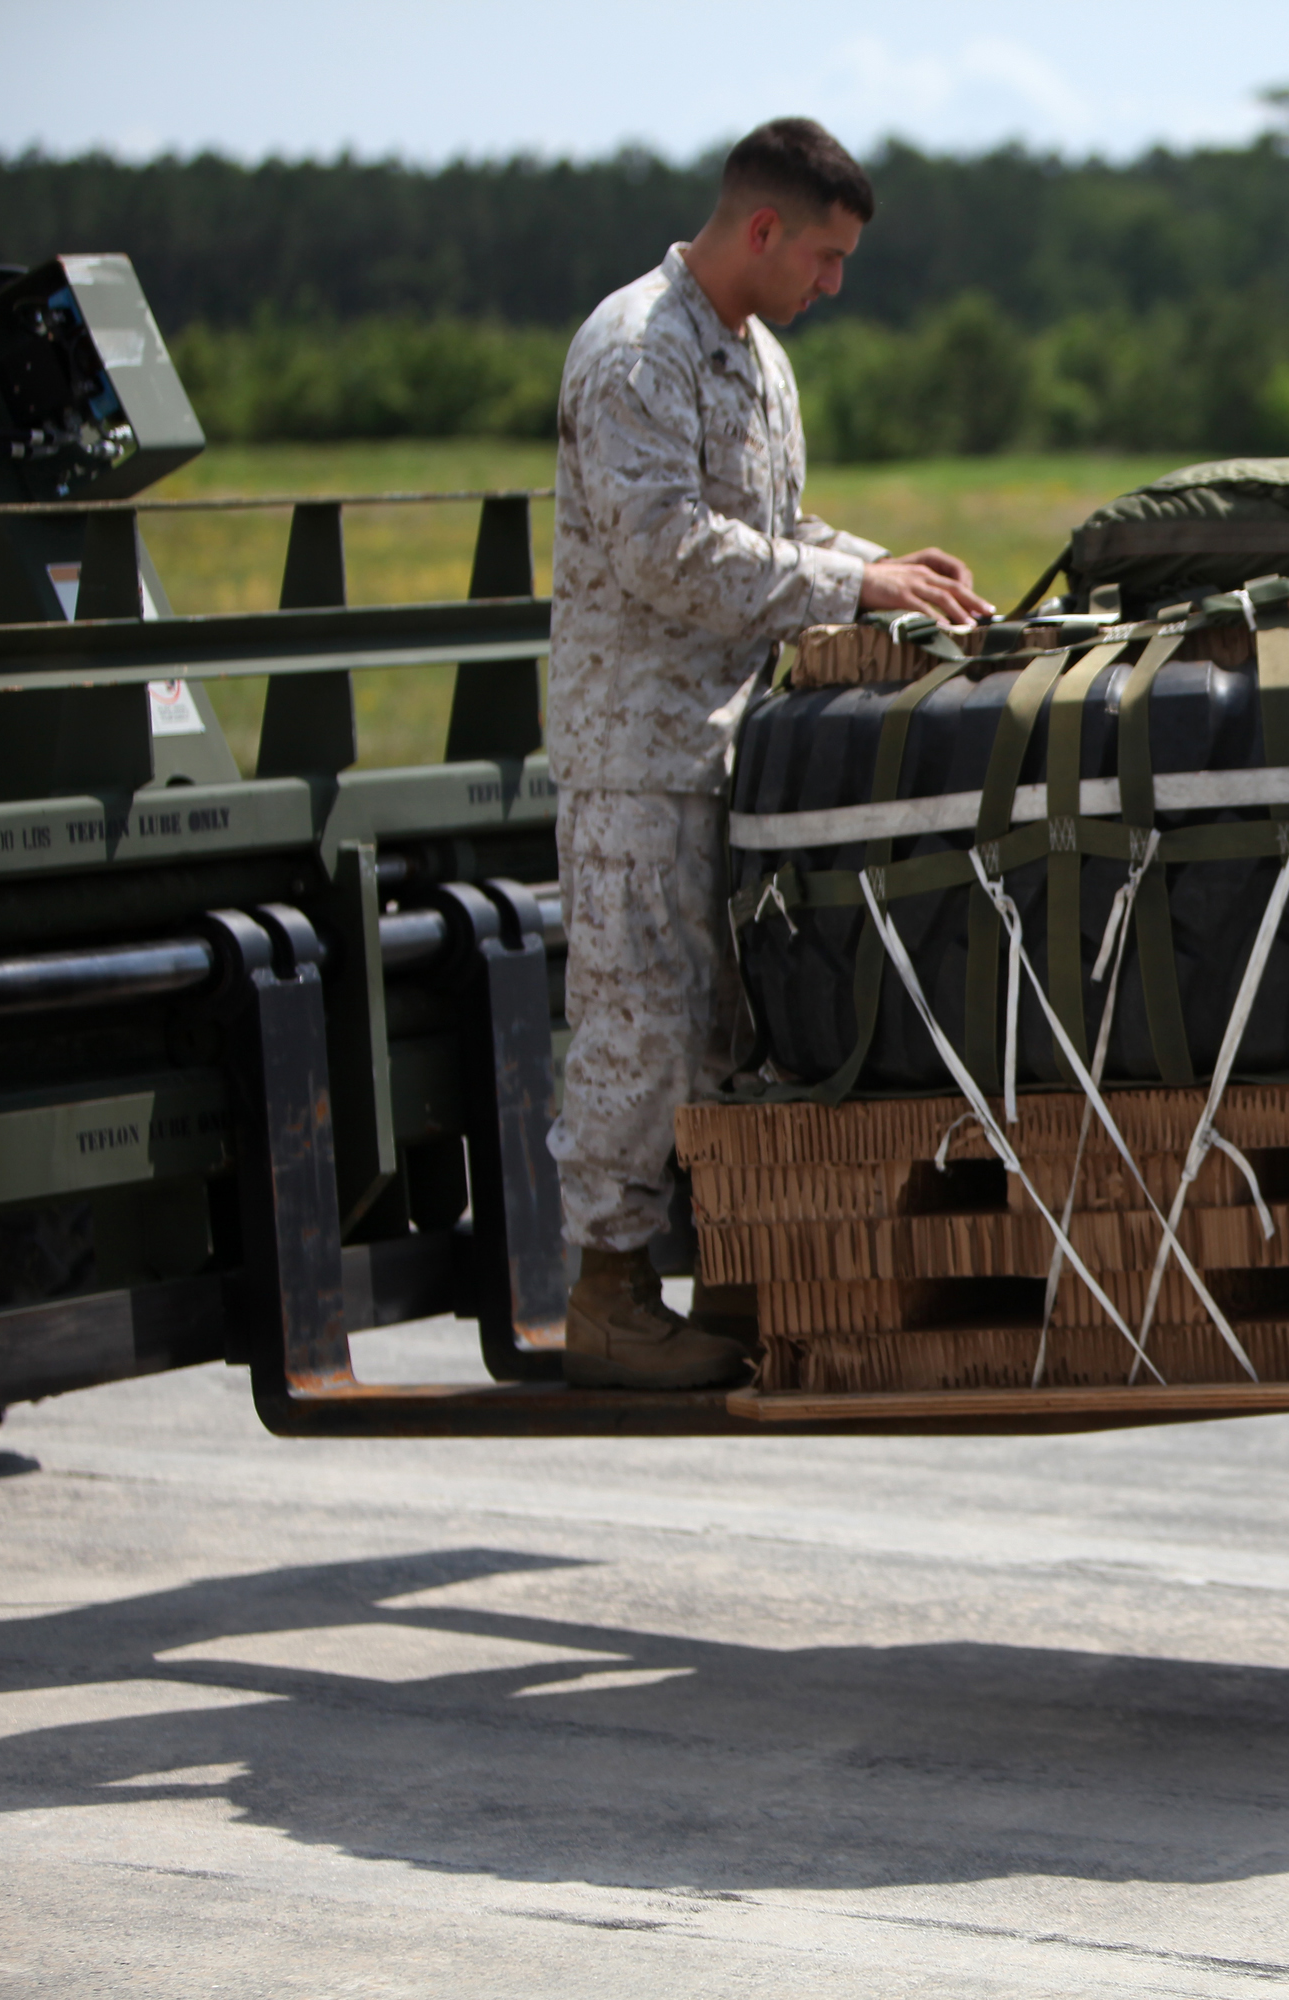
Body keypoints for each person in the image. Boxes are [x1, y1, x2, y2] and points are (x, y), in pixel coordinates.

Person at [547, 117, 993, 1389]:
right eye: (825, 257)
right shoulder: (639, 350)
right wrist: (855, 594)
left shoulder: (753, 358)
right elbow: (667, 549)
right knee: (638, 1025)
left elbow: (773, 526)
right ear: (761, 230)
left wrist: (880, 566)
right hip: (637, 754)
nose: (832, 285)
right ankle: (610, 1293)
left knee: (730, 1023)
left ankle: (725, 1272)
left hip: (732, 749)